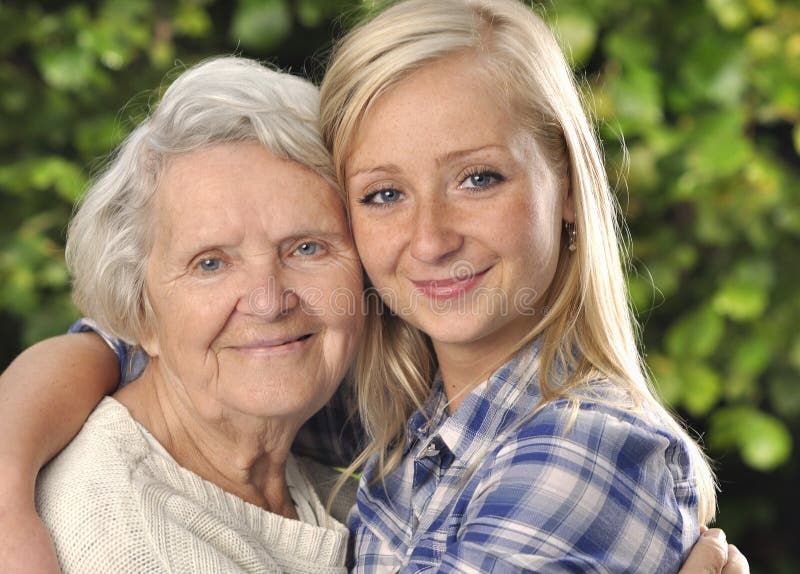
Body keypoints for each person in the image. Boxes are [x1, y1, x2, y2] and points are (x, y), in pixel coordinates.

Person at [0, 1, 749, 573]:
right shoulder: (407, 408)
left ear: (569, 188)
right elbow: (136, 346)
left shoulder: (578, 453)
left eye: (478, 179)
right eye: (385, 194)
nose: (430, 239)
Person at [28, 56, 364, 573]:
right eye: (210, 263)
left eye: (306, 248)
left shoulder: (320, 483)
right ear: (142, 312)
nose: (268, 300)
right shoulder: (129, 542)